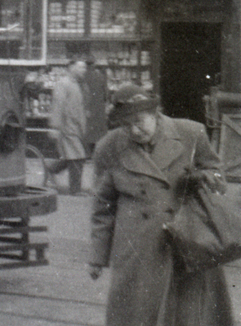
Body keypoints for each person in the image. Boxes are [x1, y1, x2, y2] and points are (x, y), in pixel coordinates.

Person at [89, 84, 233, 326]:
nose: (134, 130)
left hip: (187, 239)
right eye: (126, 125)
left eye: (139, 121)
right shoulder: (109, 147)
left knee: (190, 313)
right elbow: (103, 205)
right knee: (138, 312)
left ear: (155, 113)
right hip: (138, 246)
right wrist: (97, 256)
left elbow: (218, 177)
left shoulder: (190, 133)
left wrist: (205, 178)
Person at [47, 60, 89, 194]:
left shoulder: (75, 84)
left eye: (84, 68)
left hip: (75, 127)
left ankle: (50, 170)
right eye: (80, 67)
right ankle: (75, 190)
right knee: (77, 156)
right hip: (67, 127)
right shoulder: (63, 83)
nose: (84, 70)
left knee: (70, 157)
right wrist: (55, 126)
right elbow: (58, 105)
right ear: (71, 68)